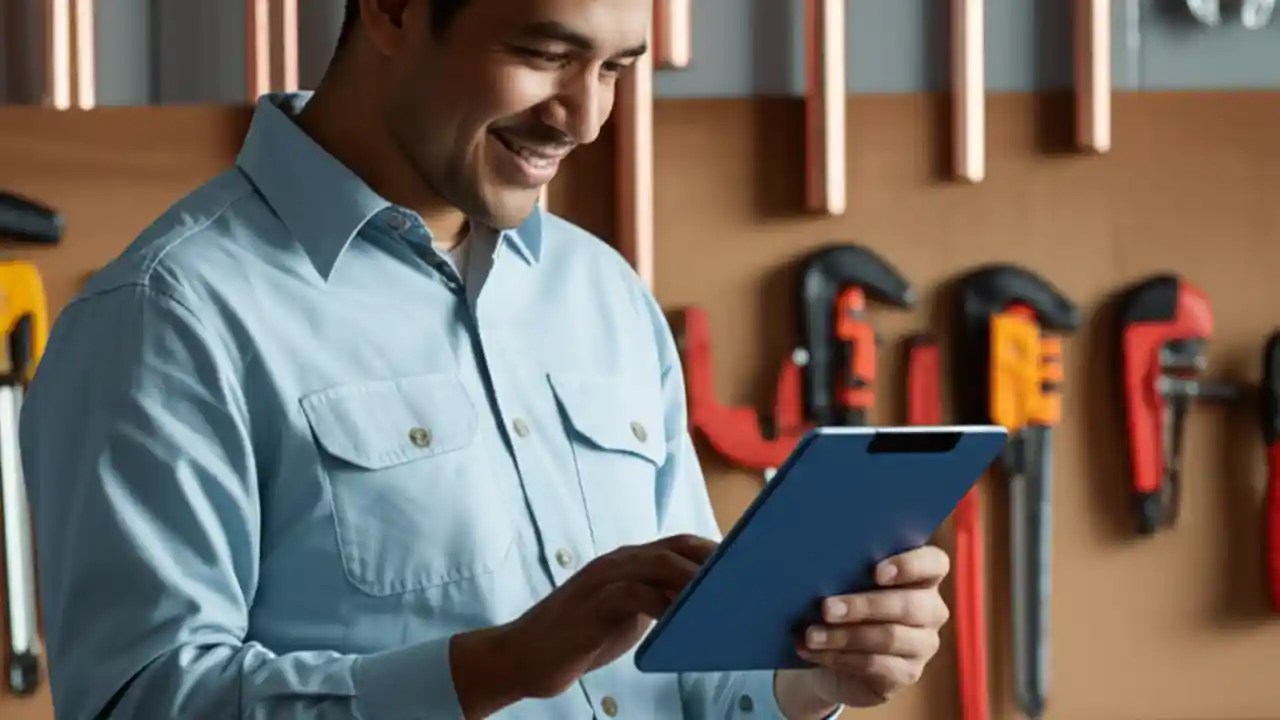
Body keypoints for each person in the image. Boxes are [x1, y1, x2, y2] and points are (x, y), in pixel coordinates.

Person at [20, 0, 953, 717]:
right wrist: (490, 671)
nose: (584, 118)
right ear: (390, 9)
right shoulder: (167, 313)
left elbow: (688, 683)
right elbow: (139, 702)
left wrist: (810, 673)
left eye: (616, 69)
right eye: (544, 55)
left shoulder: (604, 293)